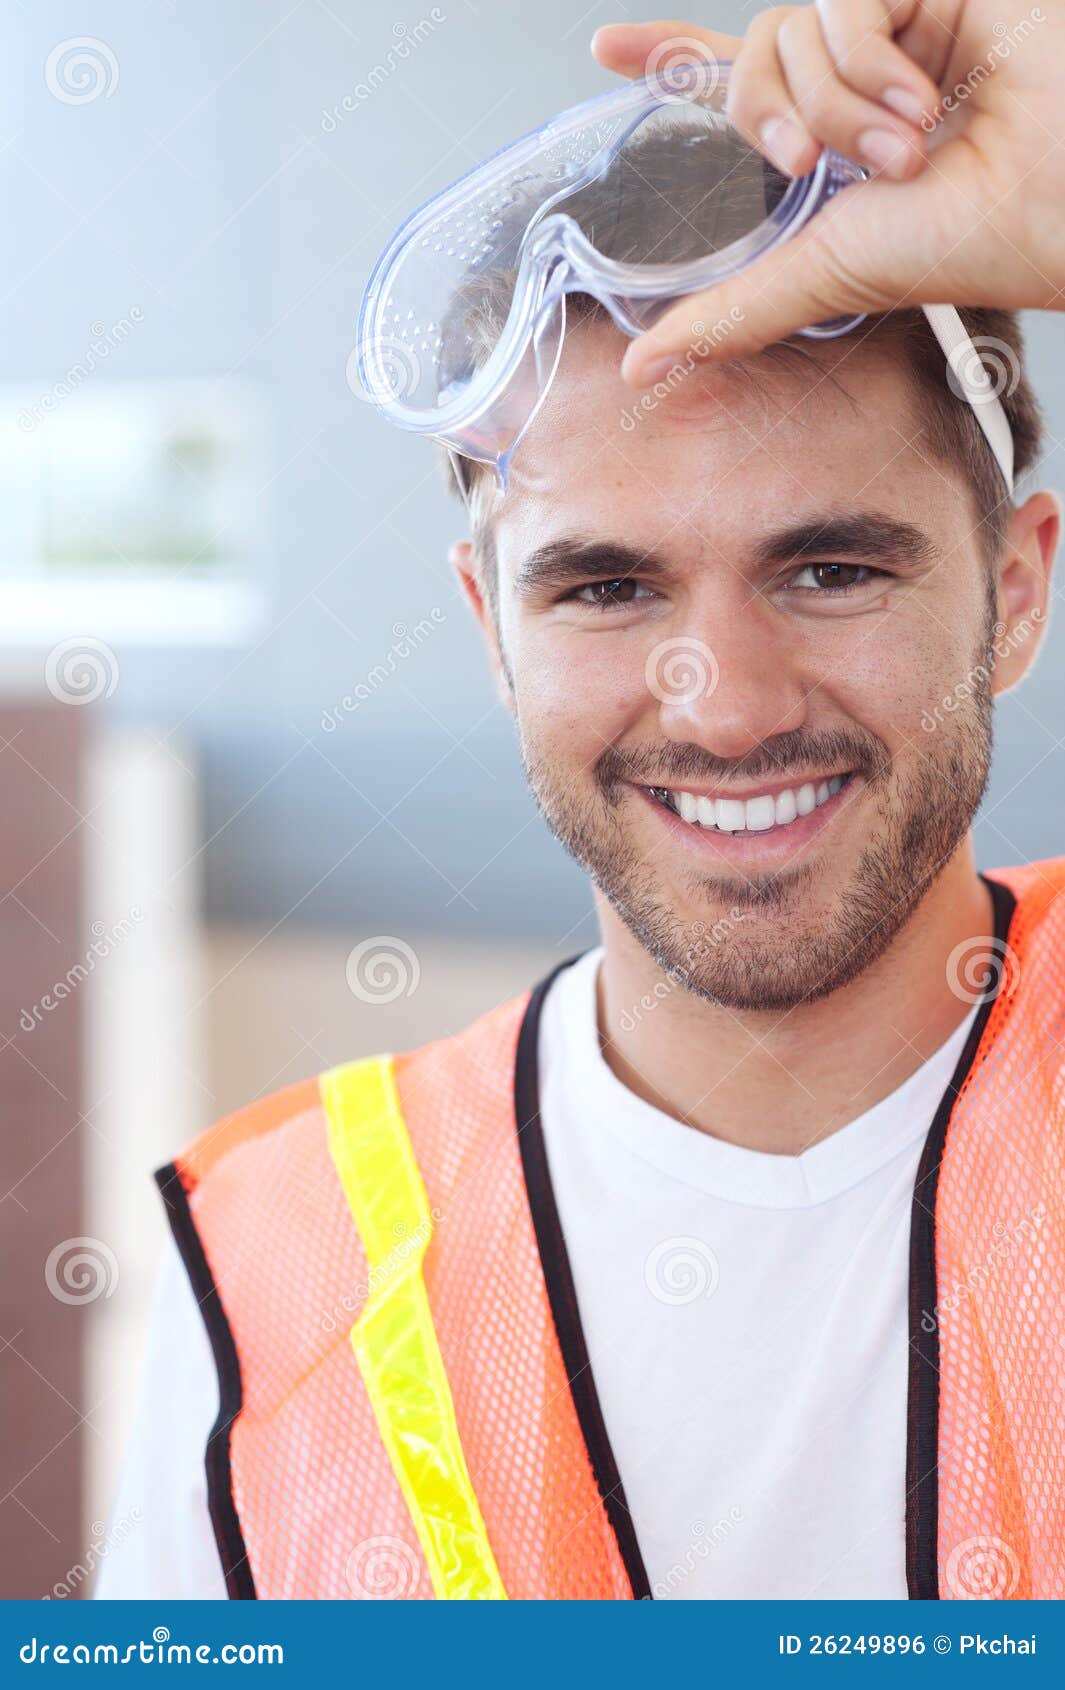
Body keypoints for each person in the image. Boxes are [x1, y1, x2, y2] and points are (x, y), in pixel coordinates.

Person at [97, 4, 1065, 1601]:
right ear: (489, 624)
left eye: (829, 568)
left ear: (1013, 590)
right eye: (606, 586)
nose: (728, 702)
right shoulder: (265, 1274)